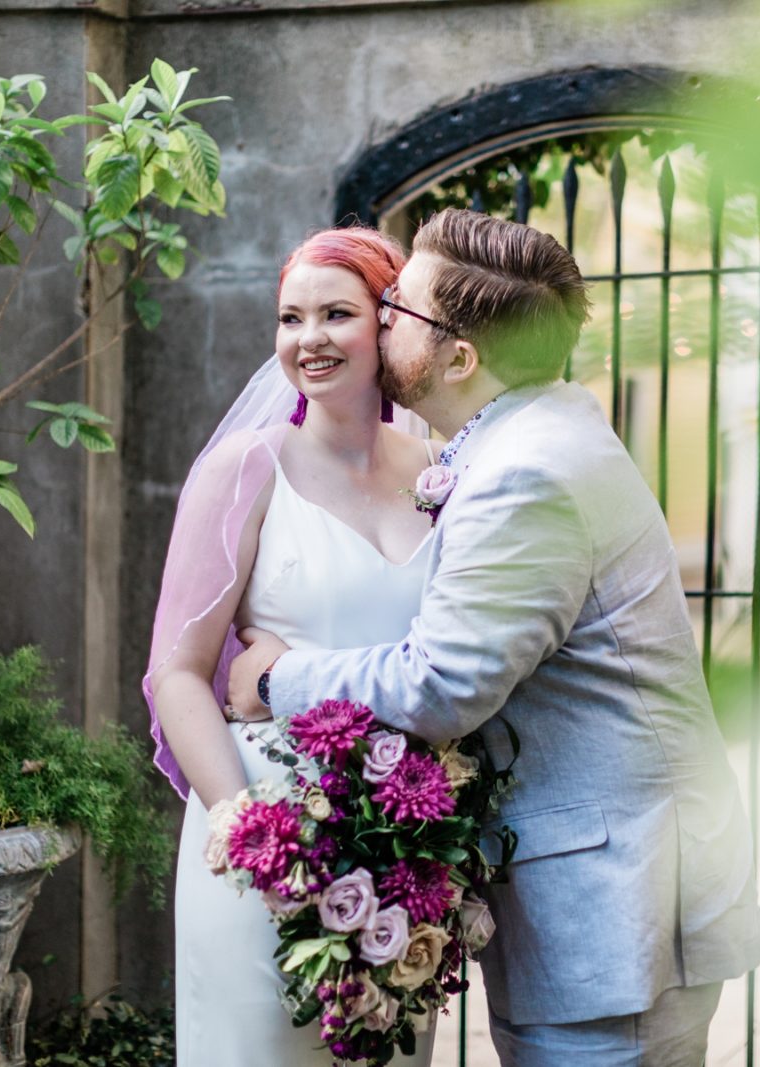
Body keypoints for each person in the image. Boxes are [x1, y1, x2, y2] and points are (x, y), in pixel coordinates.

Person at [227, 208, 760, 1066]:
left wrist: (280, 675)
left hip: (610, 910)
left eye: (395, 305)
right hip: (619, 888)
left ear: (460, 355)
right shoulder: (541, 432)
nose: (377, 313)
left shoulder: (525, 476)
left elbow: (443, 685)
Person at [143, 227, 439, 1066]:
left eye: (337, 314)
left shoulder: (443, 472)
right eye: (290, 317)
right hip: (265, 835)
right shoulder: (247, 467)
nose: (308, 339)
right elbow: (179, 671)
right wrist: (244, 821)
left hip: (401, 840)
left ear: (389, 326)